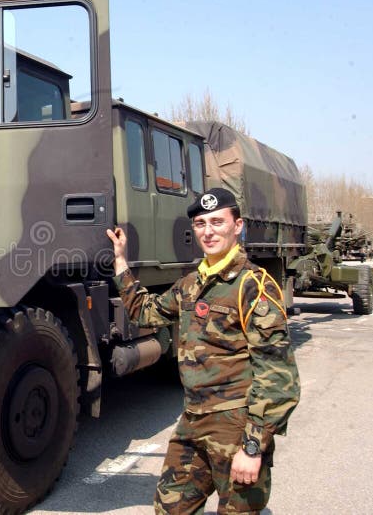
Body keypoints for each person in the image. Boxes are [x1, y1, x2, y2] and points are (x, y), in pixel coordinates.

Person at [106, 187, 300, 514]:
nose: (208, 232)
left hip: (235, 426)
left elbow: (278, 378)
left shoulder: (253, 285)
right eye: (200, 224)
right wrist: (121, 261)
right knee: (170, 507)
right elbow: (144, 311)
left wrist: (253, 447)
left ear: (237, 226)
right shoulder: (191, 284)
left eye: (216, 222)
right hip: (193, 422)